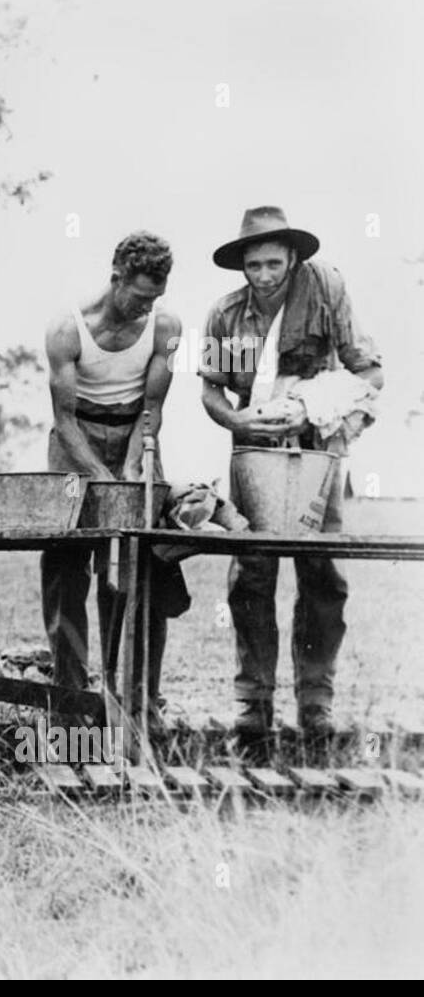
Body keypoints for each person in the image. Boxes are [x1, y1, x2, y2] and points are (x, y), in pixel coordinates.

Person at [200, 206, 383, 745]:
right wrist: (237, 420)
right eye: (253, 265)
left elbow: (369, 370)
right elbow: (209, 389)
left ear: (294, 257)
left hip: (317, 448)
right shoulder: (225, 314)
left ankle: (316, 704)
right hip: (254, 451)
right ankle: (253, 707)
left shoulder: (326, 290)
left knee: (322, 571)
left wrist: (316, 406)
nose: (263, 275)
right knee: (252, 573)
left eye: (273, 263)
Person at [40, 232, 183, 722]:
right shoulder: (67, 329)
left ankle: (136, 696)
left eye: (156, 297)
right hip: (75, 441)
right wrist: (101, 475)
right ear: (117, 277)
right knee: (66, 565)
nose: (147, 306)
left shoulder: (165, 327)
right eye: (140, 295)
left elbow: (153, 407)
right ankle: (70, 697)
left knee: (138, 565)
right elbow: (64, 418)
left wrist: (135, 461)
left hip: (134, 438)